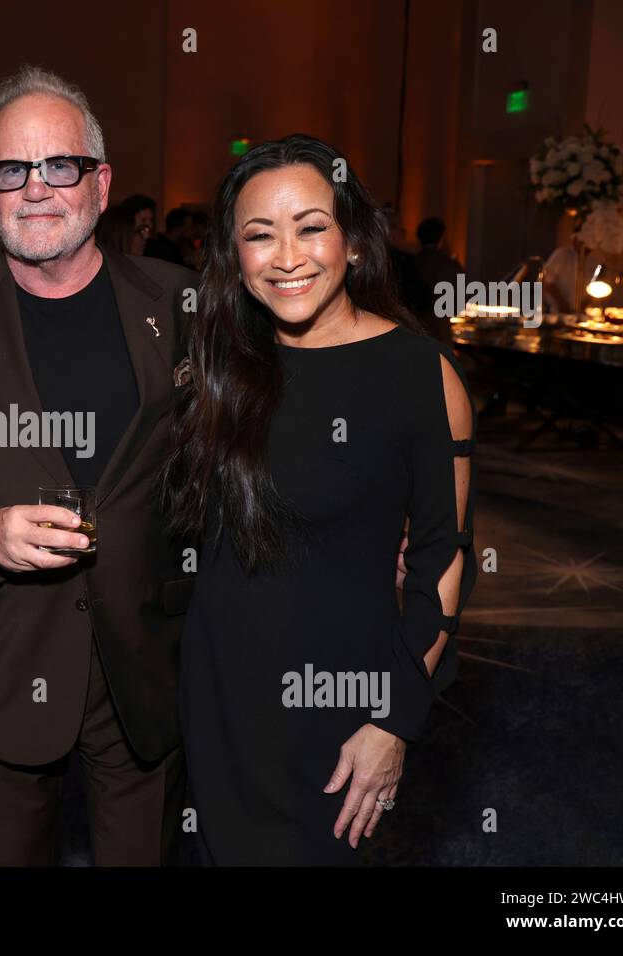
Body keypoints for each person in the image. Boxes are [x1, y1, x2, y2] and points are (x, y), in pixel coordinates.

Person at [0, 66, 196, 866]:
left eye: (61, 165)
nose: (37, 189)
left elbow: (237, 453)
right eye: (10, 171)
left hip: (145, 658)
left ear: (101, 181)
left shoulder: (182, 302)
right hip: (0, 654)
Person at [163, 134, 476, 865]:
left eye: (311, 226)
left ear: (355, 243)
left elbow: (444, 560)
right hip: (217, 697)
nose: (288, 256)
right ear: (235, 260)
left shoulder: (420, 376)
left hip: (338, 709)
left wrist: (394, 721)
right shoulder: (216, 365)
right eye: (259, 235)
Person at [412, 217, 461, 342]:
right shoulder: (448, 264)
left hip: (413, 329)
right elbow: (459, 301)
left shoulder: (409, 262)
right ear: (442, 238)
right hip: (439, 331)